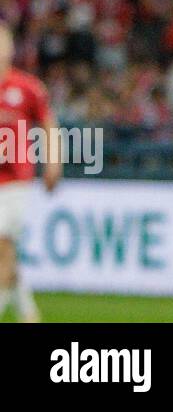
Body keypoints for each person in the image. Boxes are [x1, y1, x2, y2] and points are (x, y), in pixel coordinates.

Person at [0, 23, 61, 323]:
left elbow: (49, 125)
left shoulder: (27, 87)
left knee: (1, 243)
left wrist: (53, 162)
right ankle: (28, 313)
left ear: (10, 49)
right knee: (5, 251)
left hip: (15, 183)